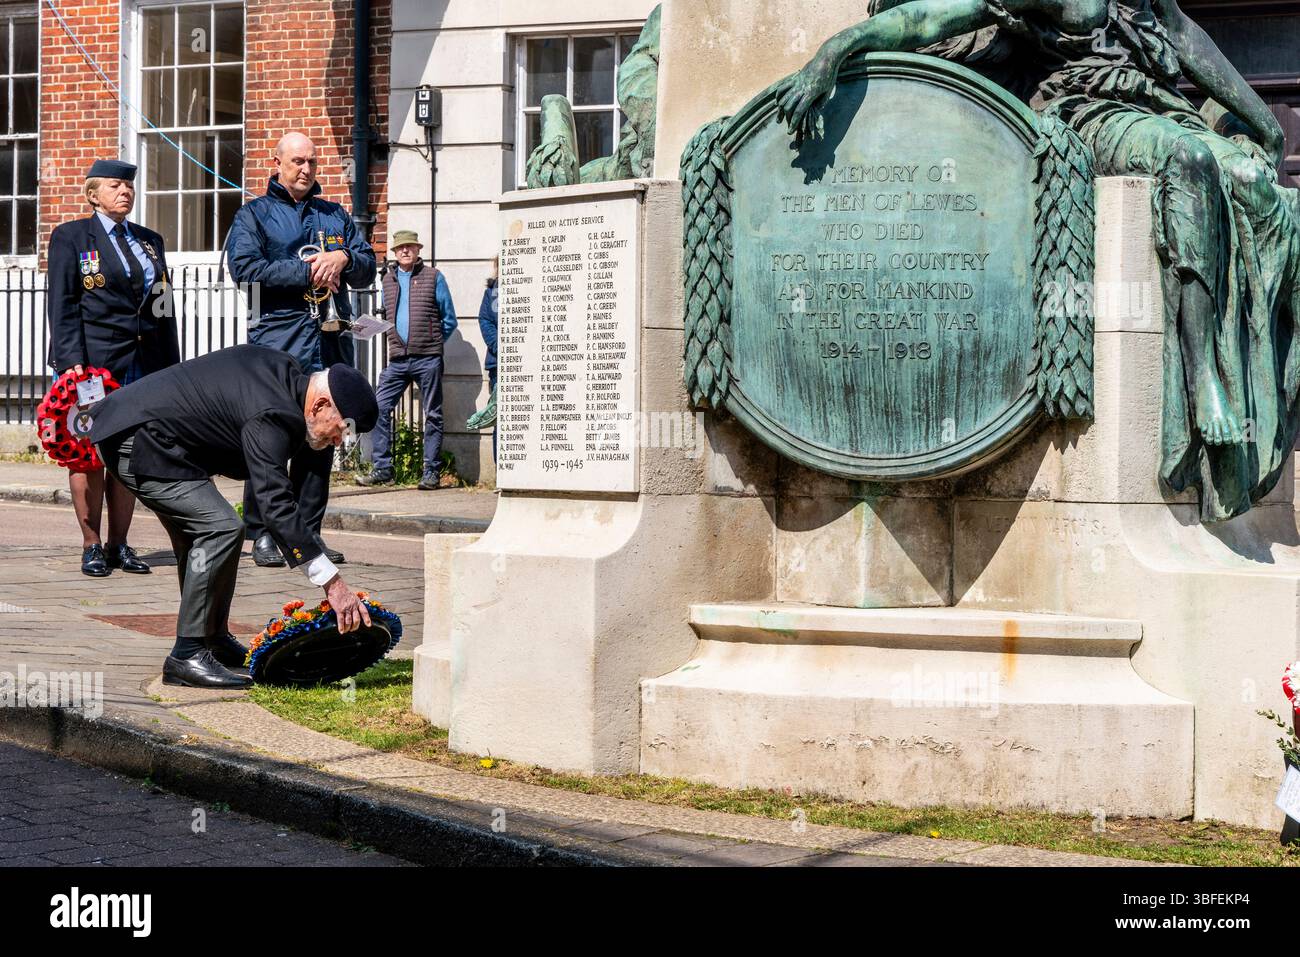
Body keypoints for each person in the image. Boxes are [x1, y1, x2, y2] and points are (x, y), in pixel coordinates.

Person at [775, 0, 1300, 522]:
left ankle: (1262, 415)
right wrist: (835, 50)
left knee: (1269, 196)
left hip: (1157, 109)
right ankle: (1203, 381)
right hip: (1086, 113)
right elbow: (932, 18)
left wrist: (1266, 126)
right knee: (1189, 162)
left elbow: (1183, 35)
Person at [90, 344, 379, 688]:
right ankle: (187, 655)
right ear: (319, 405)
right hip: (138, 437)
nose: (337, 441)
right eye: (339, 430)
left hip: (149, 434)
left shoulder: (285, 377)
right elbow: (275, 503)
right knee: (222, 528)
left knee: (198, 537)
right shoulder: (274, 412)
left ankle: (210, 637)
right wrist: (332, 583)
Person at [225, 132, 376, 565]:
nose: (305, 170)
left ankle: (308, 534)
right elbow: (245, 269)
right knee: (271, 438)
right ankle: (265, 532)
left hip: (329, 343)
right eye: (296, 162)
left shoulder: (335, 214)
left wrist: (344, 258)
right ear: (277, 163)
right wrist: (308, 270)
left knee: (321, 439)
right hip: (278, 342)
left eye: (311, 162)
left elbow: (367, 266)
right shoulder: (254, 215)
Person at [45, 159, 180, 577]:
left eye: (129, 187)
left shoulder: (150, 240)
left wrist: (170, 368)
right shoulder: (71, 237)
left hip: (143, 364)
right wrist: (71, 365)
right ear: (93, 194)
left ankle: (120, 544)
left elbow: (162, 306)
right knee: (86, 455)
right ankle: (92, 544)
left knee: (132, 454)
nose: (125, 192)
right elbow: (63, 305)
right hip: (92, 367)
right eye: (115, 186)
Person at [355, 230, 458, 490]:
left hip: (428, 358)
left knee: (432, 414)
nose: (405, 251)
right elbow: (387, 315)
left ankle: (431, 473)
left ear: (417, 249)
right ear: (394, 252)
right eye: (400, 248)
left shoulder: (434, 276)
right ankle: (383, 469)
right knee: (378, 408)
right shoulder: (387, 280)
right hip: (398, 359)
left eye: (410, 247)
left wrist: (432, 341)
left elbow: (449, 320)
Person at [477, 256, 498, 461]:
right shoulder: (492, 293)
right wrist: (500, 346)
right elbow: (485, 321)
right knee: (499, 417)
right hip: (498, 364)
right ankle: (501, 472)